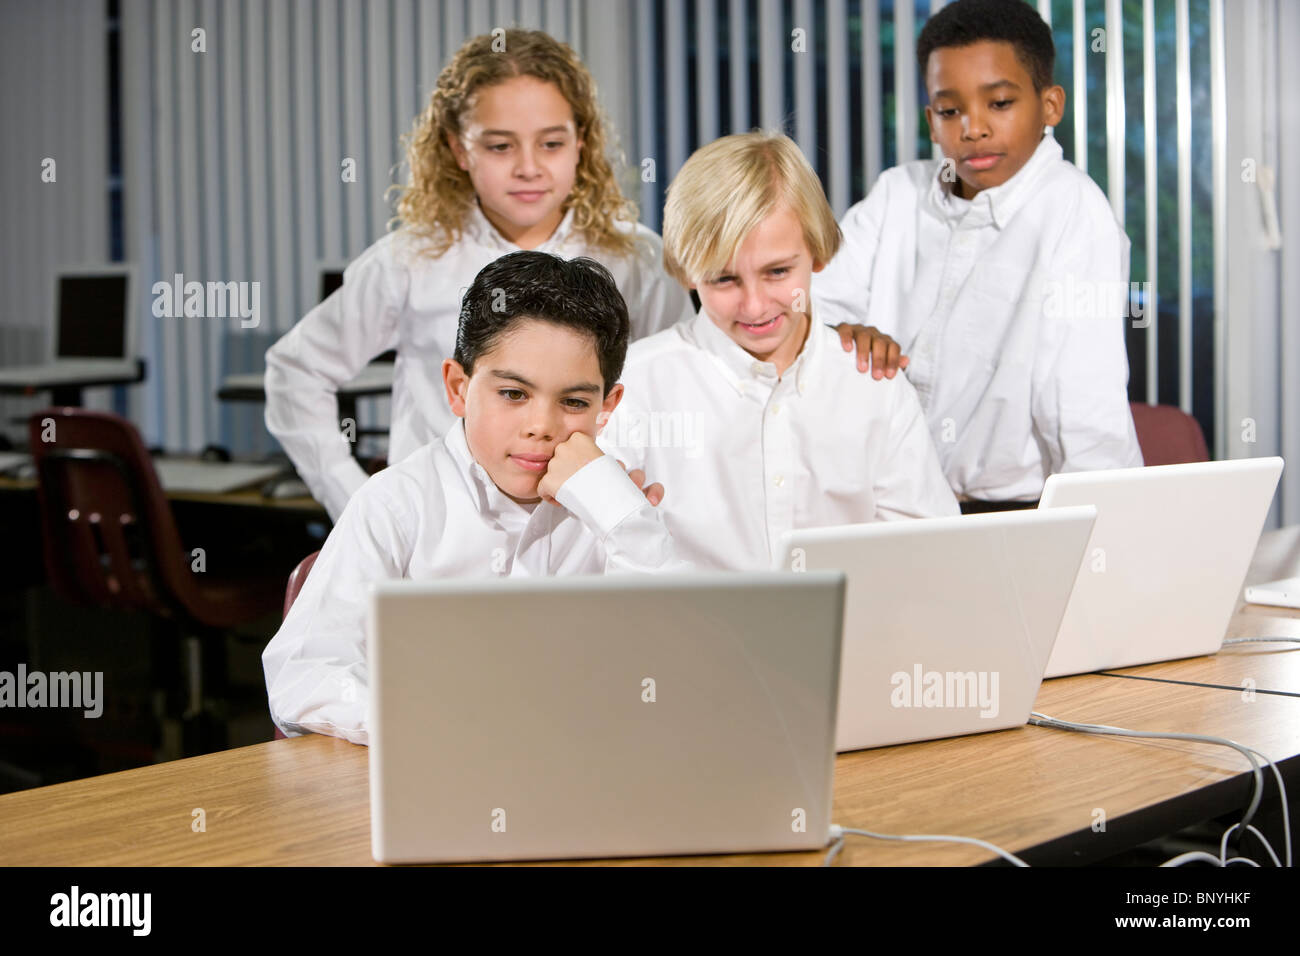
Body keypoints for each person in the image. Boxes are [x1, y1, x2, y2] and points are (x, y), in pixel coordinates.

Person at [263, 252, 686, 745]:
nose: (541, 426)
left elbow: (680, 669)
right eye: (513, 393)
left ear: (606, 407)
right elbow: (304, 674)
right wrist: (437, 723)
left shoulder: (613, 503)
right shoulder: (397, 504)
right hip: (431, 781)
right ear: (458, 388)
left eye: (574, 402)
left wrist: (625, 521)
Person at [813, 0, 1142, 512]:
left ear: (1051, 105)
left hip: (1007, 513)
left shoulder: (1074, 214)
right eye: (950, 110)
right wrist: (838, 333)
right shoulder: (897, 194)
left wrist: (1107, 538)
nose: (973, 128)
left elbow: (1082, 411)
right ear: (930, 119)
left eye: (1000, 103)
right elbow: (806, 309)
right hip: (881, 507)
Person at [599, 132, 959, 572]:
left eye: (777, 272)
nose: (754, 305)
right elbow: (602, 567)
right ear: (689, 273)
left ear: (818, 254)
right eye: (724, 279)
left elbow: (931, 556)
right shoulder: (634, 385)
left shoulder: (872, 384)